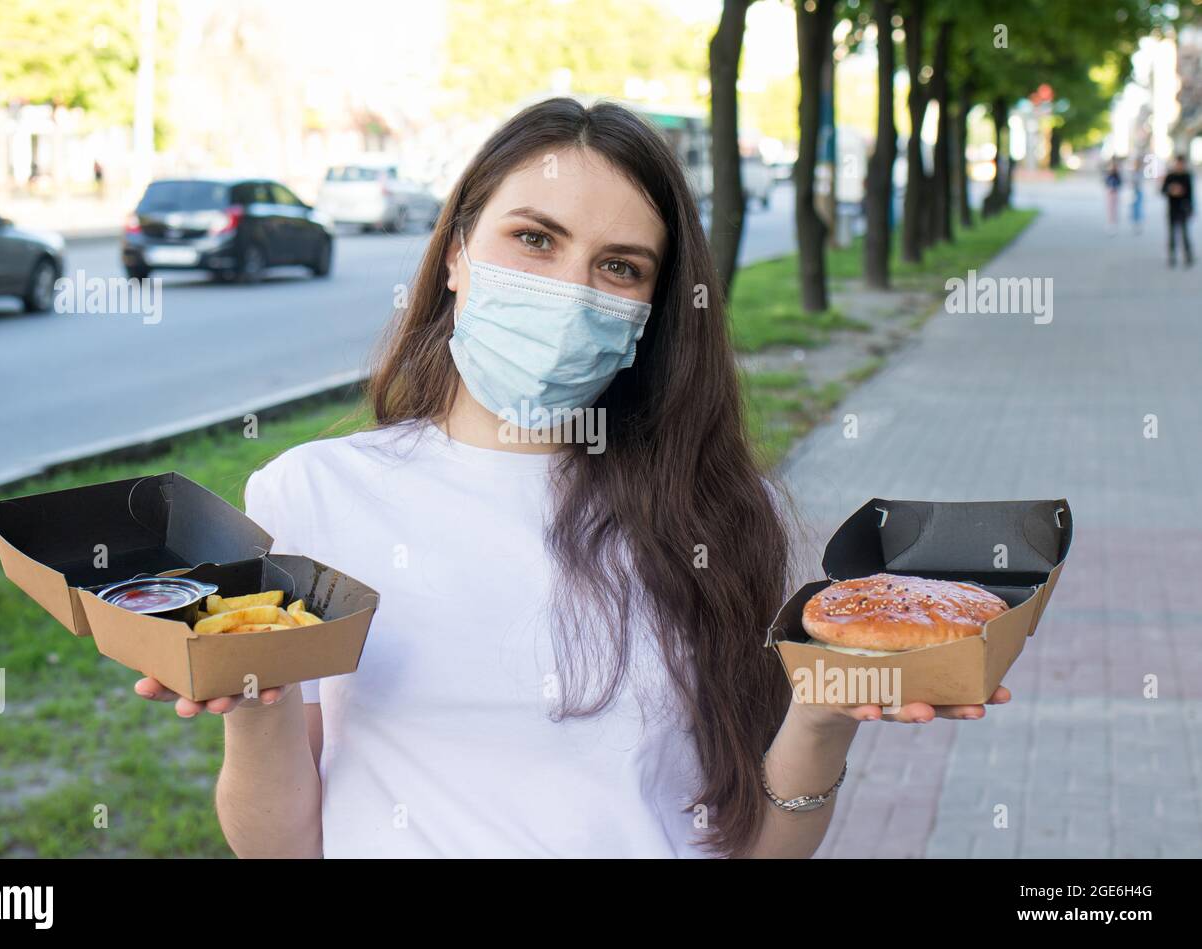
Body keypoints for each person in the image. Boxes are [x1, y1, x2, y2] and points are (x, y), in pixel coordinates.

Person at [133, 97, 1010, 859]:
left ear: (650, 313)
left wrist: (823, 715)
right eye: (534, 239)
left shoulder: (712, 517)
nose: (568, 291)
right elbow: (283, 845)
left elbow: (757, 844)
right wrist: (253, 699)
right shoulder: (311, 495)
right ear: (455, 253)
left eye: (619, 266)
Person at [1161, 153, 1194, 267]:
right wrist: (1171, 190)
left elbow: (1190, 194)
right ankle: (1172, 256)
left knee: (1185, 233)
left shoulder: (1187, 176)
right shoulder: (1170, 176)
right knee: (1172, 234)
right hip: (1172, 209)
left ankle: (1188, 255)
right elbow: (1163, 190)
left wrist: (1191, 209)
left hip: (1183, 209)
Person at [1104, 157, 1123, 233]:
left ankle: (1114, 222)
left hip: (1115, 193)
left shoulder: (1117, 175)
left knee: (1114, 208)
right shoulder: (1108, 175)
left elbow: (1120, 183)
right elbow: (1106, 183)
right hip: (1110, 193)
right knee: (1110, 208)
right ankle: (1110, 222)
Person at [1129, 156, 1144, 234]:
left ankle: (1138, 224)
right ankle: (1134, 223)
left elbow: (1139, 181)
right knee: (1134, 208)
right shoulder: (1132, 172)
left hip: (1138, 191)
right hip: (1133, 192)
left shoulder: (1140, 172)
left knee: (1139, 208)